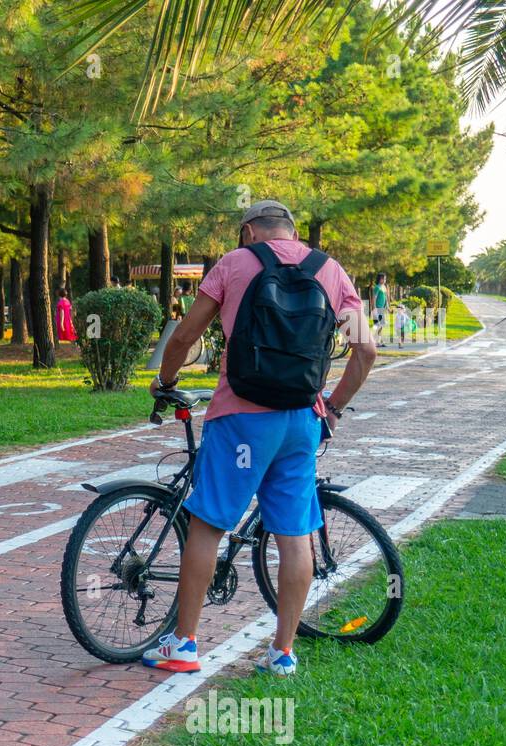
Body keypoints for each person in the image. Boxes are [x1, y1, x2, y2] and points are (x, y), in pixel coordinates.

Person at [147, 199, 375, 677]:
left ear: (248, 233)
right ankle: (283, 652)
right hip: (300, 419)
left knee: (209, 523)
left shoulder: (234, 263)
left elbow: (187, 334)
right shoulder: (332, 271)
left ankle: (184, 643)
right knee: (295, 535)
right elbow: (365, 349)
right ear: (292, 232)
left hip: (241, 417)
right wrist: (330, 407)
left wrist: (166, 382)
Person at [371, 273, 389, 345]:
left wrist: (387, 306)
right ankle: (375, 341)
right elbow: (374, 298)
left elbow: (385, 297)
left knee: (381, 325)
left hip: (382, 308)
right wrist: (374, 308)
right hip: (378, 308)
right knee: (378, 325)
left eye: (385, 279)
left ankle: (379, 341)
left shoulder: (384, 287)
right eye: (383, 278)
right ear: (380, 279)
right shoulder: (377, 287)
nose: (384, 280)